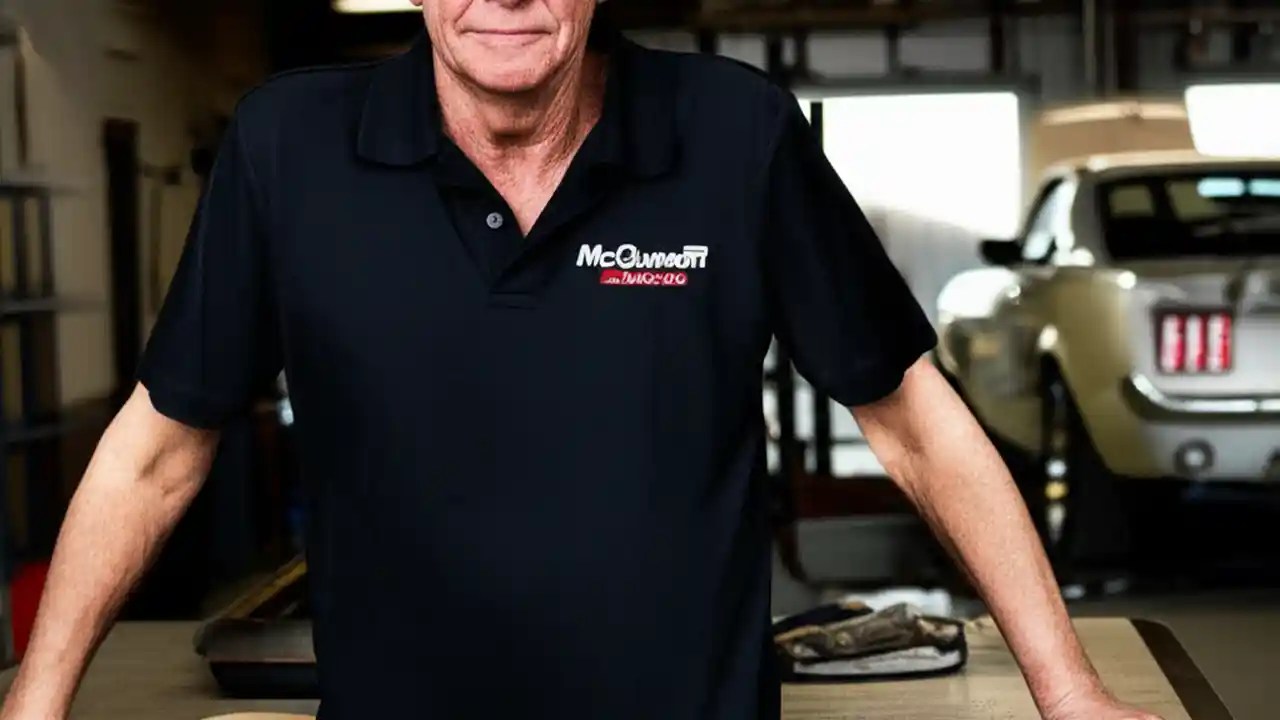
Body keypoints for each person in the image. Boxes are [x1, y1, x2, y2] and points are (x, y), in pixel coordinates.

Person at [0, 1, 1162, 719]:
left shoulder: (734, 134)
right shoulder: (286, 149)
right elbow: (158, 449)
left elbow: (910, 421)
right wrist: (35, 705)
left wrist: (1066, 690)